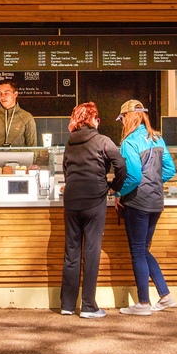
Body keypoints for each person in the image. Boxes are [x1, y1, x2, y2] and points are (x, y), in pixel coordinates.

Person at [60, 101, 125, 318]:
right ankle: (88, 306)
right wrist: (113, 186)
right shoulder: (102, 141)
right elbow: (121, 166)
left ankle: (67, 305)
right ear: (94, 119)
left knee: (71, 252)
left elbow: (66, 171)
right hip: (94, 199)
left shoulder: (70, 143)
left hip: (71, 200)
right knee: (91, 253)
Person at [115, 99, 177, 315]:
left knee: (137, 251)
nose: (122, 122)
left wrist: (118, 193)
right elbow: (170, 170)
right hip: (156, 202)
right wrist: (154, 183)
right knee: (143, 249)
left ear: (129, 117)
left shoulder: (129, 142)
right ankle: (166, 296)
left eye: (122, 118)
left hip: (138, 203)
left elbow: (132, 176)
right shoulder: (157, 138)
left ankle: (143, 303)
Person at [0, 80, 37, 147]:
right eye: (0, 93)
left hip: (19, 157)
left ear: (15, 94)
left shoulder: (26, 117)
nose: (2, 97)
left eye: (6, 93)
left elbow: (32, 148)